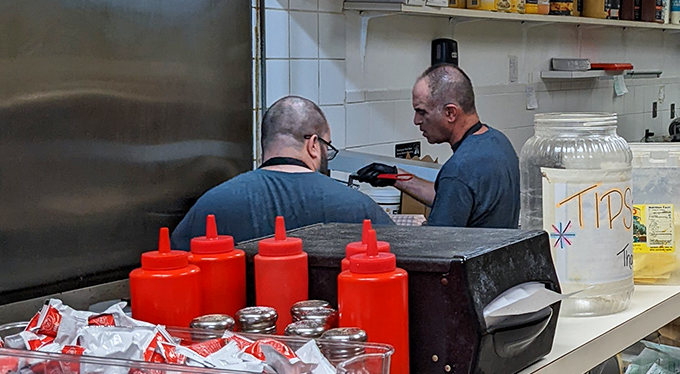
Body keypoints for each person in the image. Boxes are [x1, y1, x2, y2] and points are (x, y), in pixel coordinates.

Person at [172, 95, 392, 247]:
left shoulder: (211, 206)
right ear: (313, 145)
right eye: (327, 146)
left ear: (265, 143)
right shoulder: (359, 208)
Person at [355, 64, 520, 228]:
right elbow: (452, 200)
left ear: (450, 113)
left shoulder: (460, 169)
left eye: (422, 112)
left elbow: (437, 240)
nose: (416, 121)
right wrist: (395, 176)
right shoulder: (499, 142)